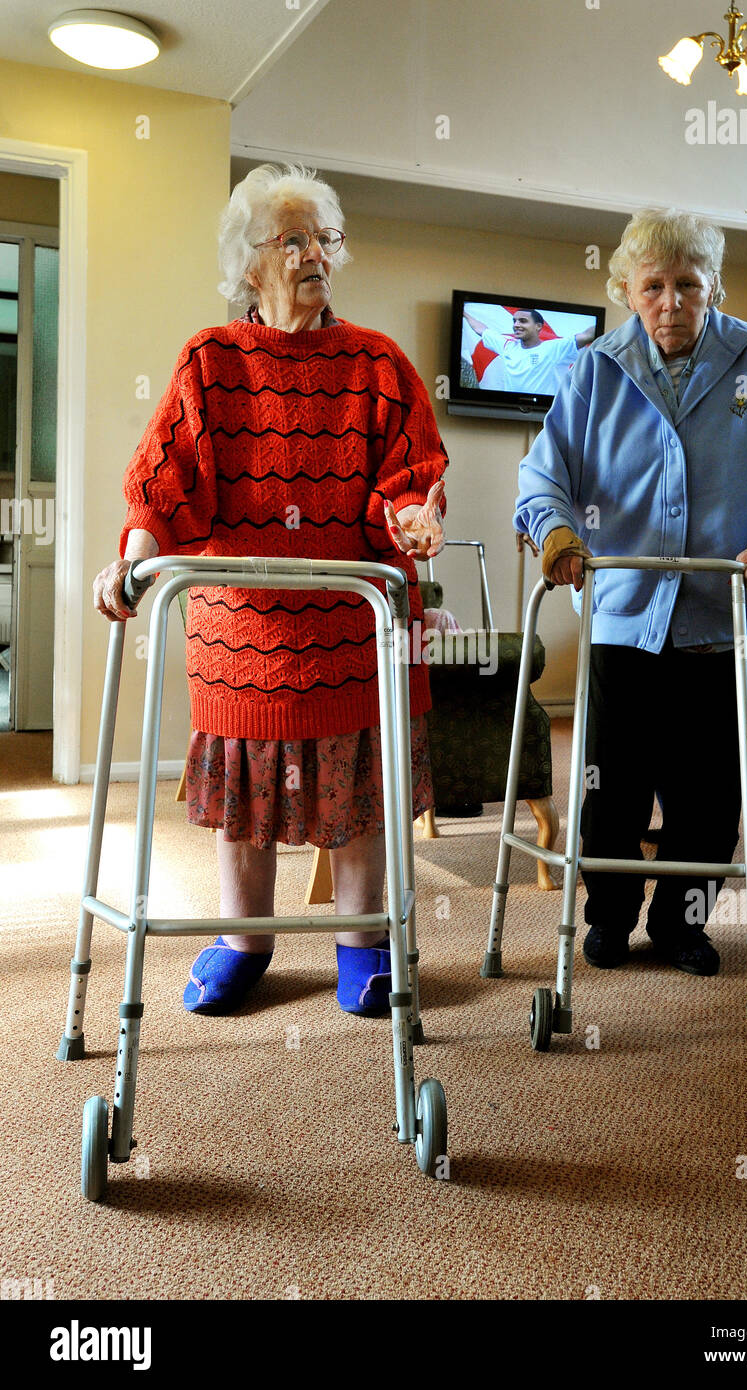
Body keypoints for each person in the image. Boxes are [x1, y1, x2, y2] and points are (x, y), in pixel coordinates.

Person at [94, 163, 448, 1016]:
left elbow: (409, 478)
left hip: (353, 622)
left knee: (358, 792)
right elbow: (165, 484)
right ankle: (244, 940)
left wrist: (410, 521)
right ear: (248, 265)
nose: (313, 254)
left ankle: (362, 942)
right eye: (291, 239)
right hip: (242, 631)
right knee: (245, 800)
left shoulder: (379, 362)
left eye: (324, 237)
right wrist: (134, 563)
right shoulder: (210, 361)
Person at [514, 207, 747, 977]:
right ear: (626, 290)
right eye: (652, 285)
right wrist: (556, 533)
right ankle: (609, 916)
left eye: (686, 284)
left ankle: (679, 923)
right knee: (612, 787)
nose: (670, 302)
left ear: (713, 286)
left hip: (722, 616)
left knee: (707, 793)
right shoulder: (591, 369)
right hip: (624, 616)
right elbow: (543, 474)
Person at [463, 306, 599, 394]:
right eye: (514, 321)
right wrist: (464, 313)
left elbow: (587, 335)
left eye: (523, 321)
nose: (516, 325)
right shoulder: (506, 345)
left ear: (538, 326)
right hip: (509, 409)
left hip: (549, 415)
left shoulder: (554, 348)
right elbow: (481, 329)